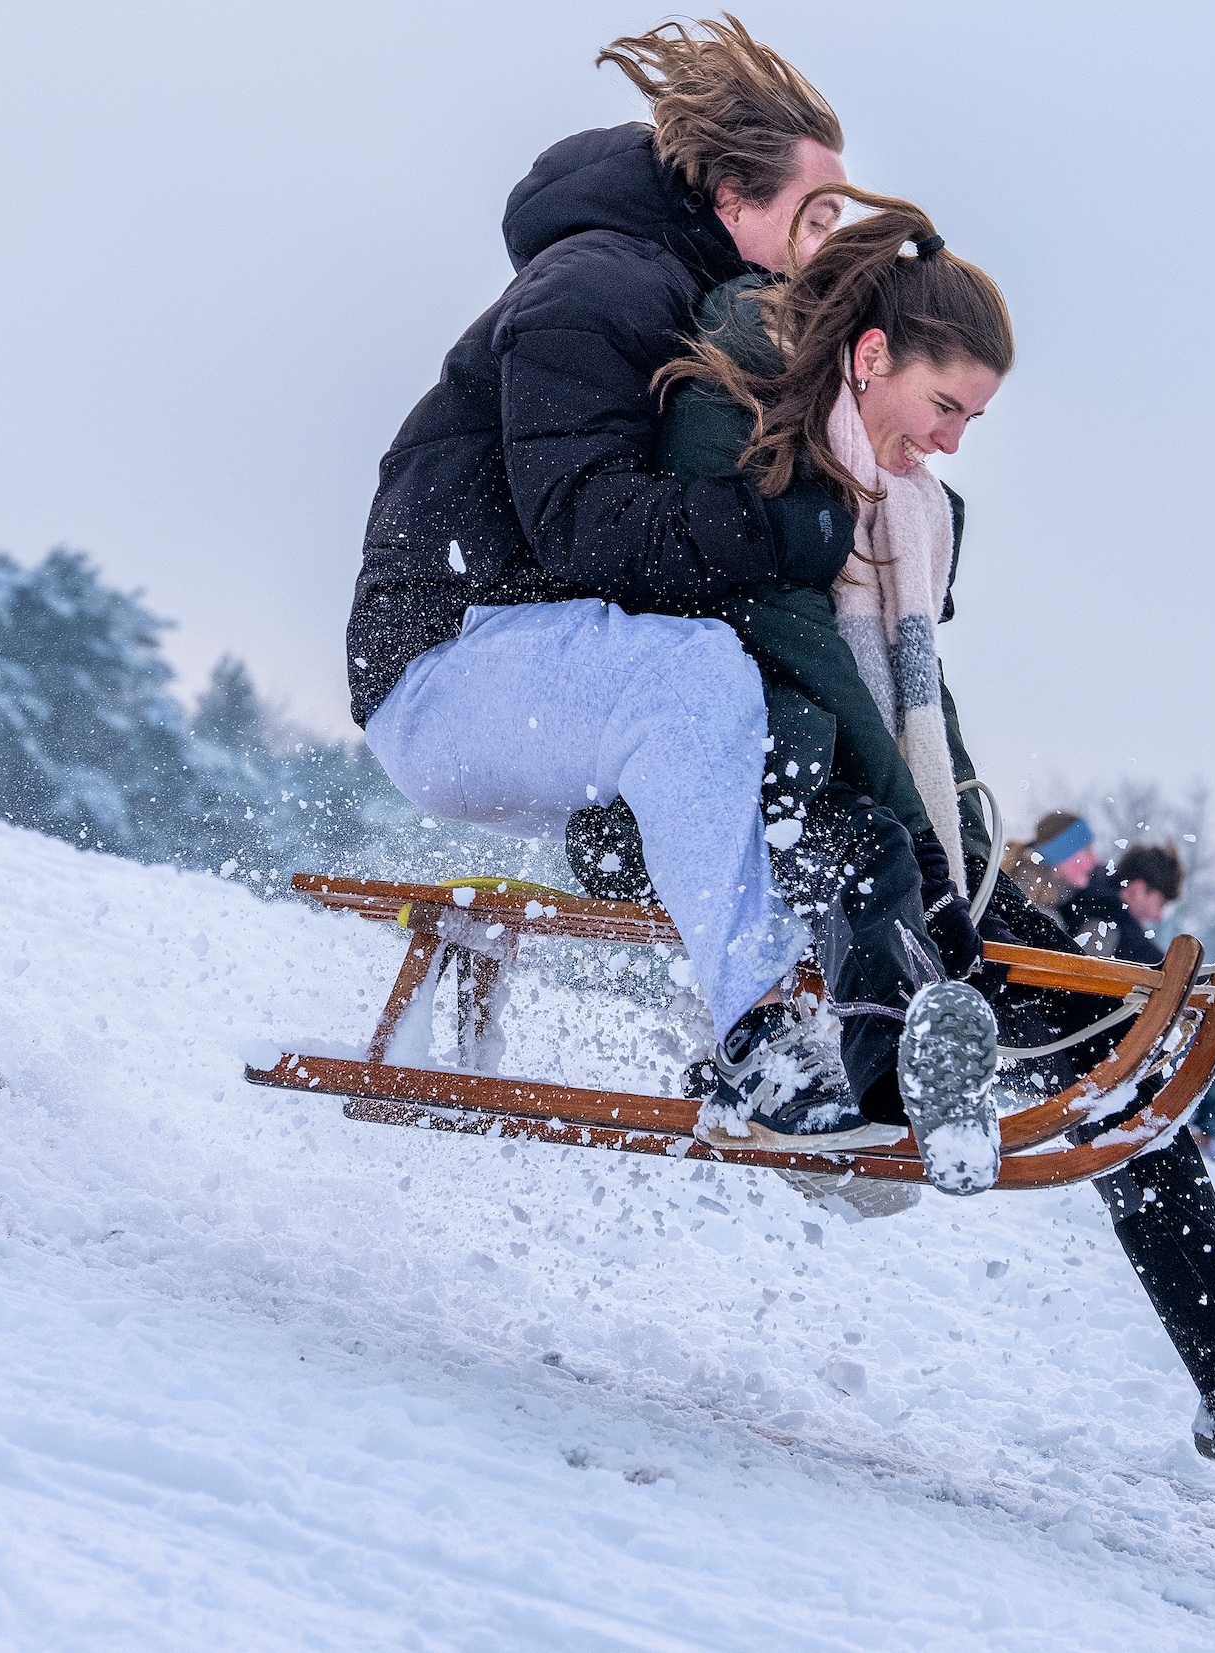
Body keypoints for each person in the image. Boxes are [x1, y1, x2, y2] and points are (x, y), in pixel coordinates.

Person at [645, 198, 1215, 1476]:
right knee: (884, 866)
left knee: (1117, 1034)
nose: (951, 443)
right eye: (943, 409)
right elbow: (785, 655)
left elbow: (913, 703)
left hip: (888, 820)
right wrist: (919, 828)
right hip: (760, 799)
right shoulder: (740, 435)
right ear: (872, 355)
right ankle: (885, 1080)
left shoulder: (907, 508)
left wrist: (970, 839)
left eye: (972, 424)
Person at [345, 20, 990, 1195]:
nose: (824, 240)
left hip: (565, 677)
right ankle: (758, 1045)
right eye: (812, 212)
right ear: (731, 194)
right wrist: (776, 529)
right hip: (448, 663)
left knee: (774, 752)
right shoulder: (593, 288)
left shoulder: (704, 298)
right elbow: (580, 523)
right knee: (699, 676)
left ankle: (881, 1055)